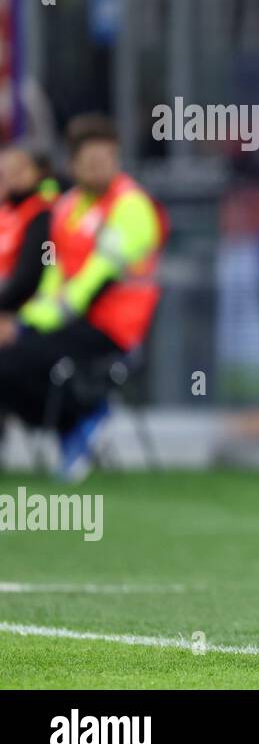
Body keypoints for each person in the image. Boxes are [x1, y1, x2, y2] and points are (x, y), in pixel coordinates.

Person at [0, 115, 166, 482]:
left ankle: (83, 415)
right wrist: (20, 322)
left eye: (107, 160)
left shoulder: (132, 207)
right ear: (73, 165)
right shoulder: (68, 208)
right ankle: (72, 423)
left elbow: (94, 280)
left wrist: (27, 326)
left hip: (115, 329)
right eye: (91, 162)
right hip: (72, 322)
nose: (100, 169)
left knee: (14, 361)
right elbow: (53, 283)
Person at [0, 144, 59, 313]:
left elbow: (30, 276)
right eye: (5, 172)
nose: (14, 175)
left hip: (23, 307)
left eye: (20, 168)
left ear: (36, 171)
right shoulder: (6, 211)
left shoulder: (43, 215)